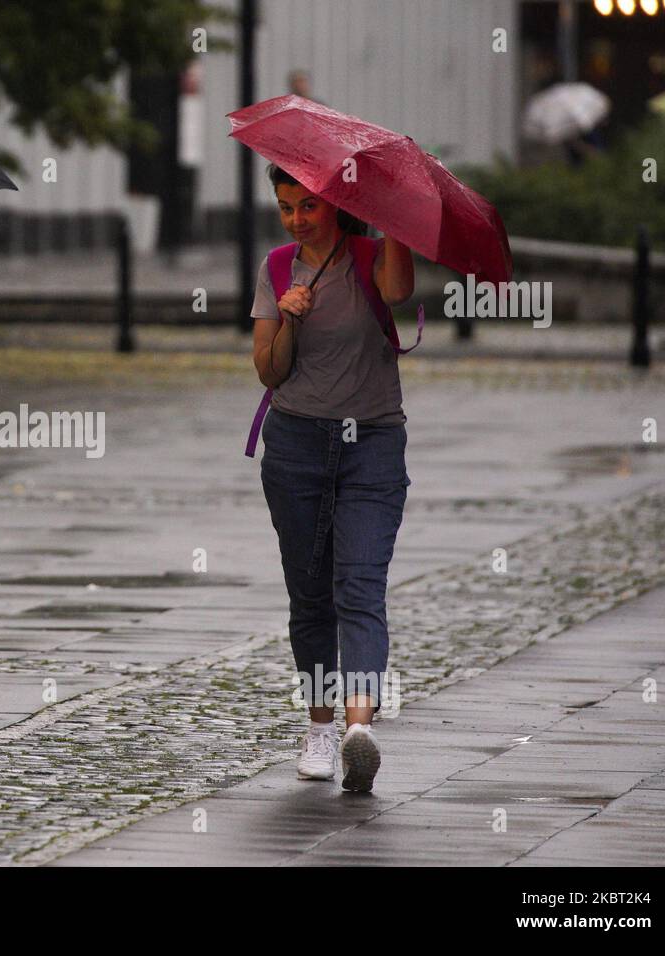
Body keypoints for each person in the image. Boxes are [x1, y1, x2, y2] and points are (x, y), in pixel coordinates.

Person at [250, 164, 414, 793]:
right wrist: (289, 317)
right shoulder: (276, 267)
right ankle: (320, 727)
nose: (297, 218)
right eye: (287, 206)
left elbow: (398, 291)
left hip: (371, 444)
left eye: (310, 206)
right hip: (296, 447)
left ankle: (357, 730)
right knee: (311, 595)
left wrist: (394, 213)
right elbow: (268, 372)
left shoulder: (374, 255)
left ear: (338, 205)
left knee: (361, 586)